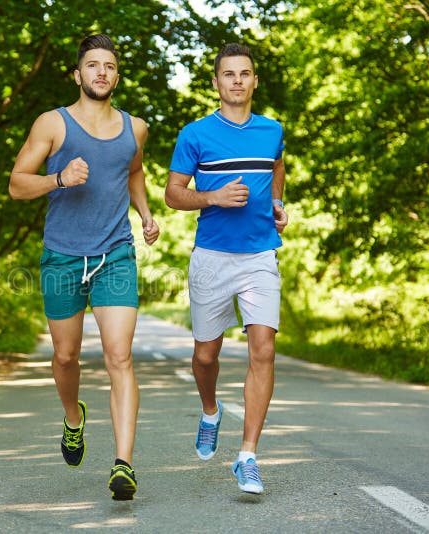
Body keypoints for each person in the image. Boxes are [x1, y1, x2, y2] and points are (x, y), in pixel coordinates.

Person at [9, 34, 160, 501]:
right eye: (92, 65)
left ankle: (124, 465)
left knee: (119, 356)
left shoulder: (135, 128)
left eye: (109, 66)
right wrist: (59, 177)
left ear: (117, 75)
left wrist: (146, 213)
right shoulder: (52, 124)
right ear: (78, 75)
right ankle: (74, 418)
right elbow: (16, 184)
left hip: (115, 253)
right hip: (62, 255)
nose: (101, 72)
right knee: (66, 357)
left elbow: (132, 172)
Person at [164, 43, 288, 494]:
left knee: (263, 350)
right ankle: (210, 410)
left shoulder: (271, 129)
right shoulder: (195, 134)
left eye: (245, 73)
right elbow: (173, 194)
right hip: (212, 257)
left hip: (260, 255)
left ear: (255, 81)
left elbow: (276, 165)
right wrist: (213, 197)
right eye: (228, 74)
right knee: (205, 357)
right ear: (216, 82)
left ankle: (248, 455)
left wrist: (276, 202)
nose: (237, 80)